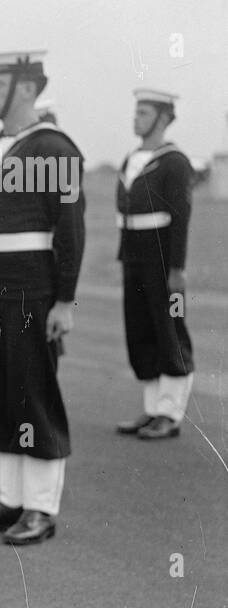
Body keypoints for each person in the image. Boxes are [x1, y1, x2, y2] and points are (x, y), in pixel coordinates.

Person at [0, 51, 84, 545]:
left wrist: (64, 302)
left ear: (26, 89)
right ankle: (11, 499)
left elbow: (69, 229)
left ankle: (42, 508)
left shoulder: (52, 146)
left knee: (35, 393)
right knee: (2, 393)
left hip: (34, 290)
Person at [115, 88, 194, 439]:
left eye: (144, 112)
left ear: (163, 118)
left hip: (162, 257)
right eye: (136, 111)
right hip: (133, 255)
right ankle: (151, 409)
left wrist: (177, 268)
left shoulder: (174, 160)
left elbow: (181, 216)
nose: (136, 118)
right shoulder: (131, 157)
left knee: (169, 329)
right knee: (141, 330)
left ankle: (170, 412)